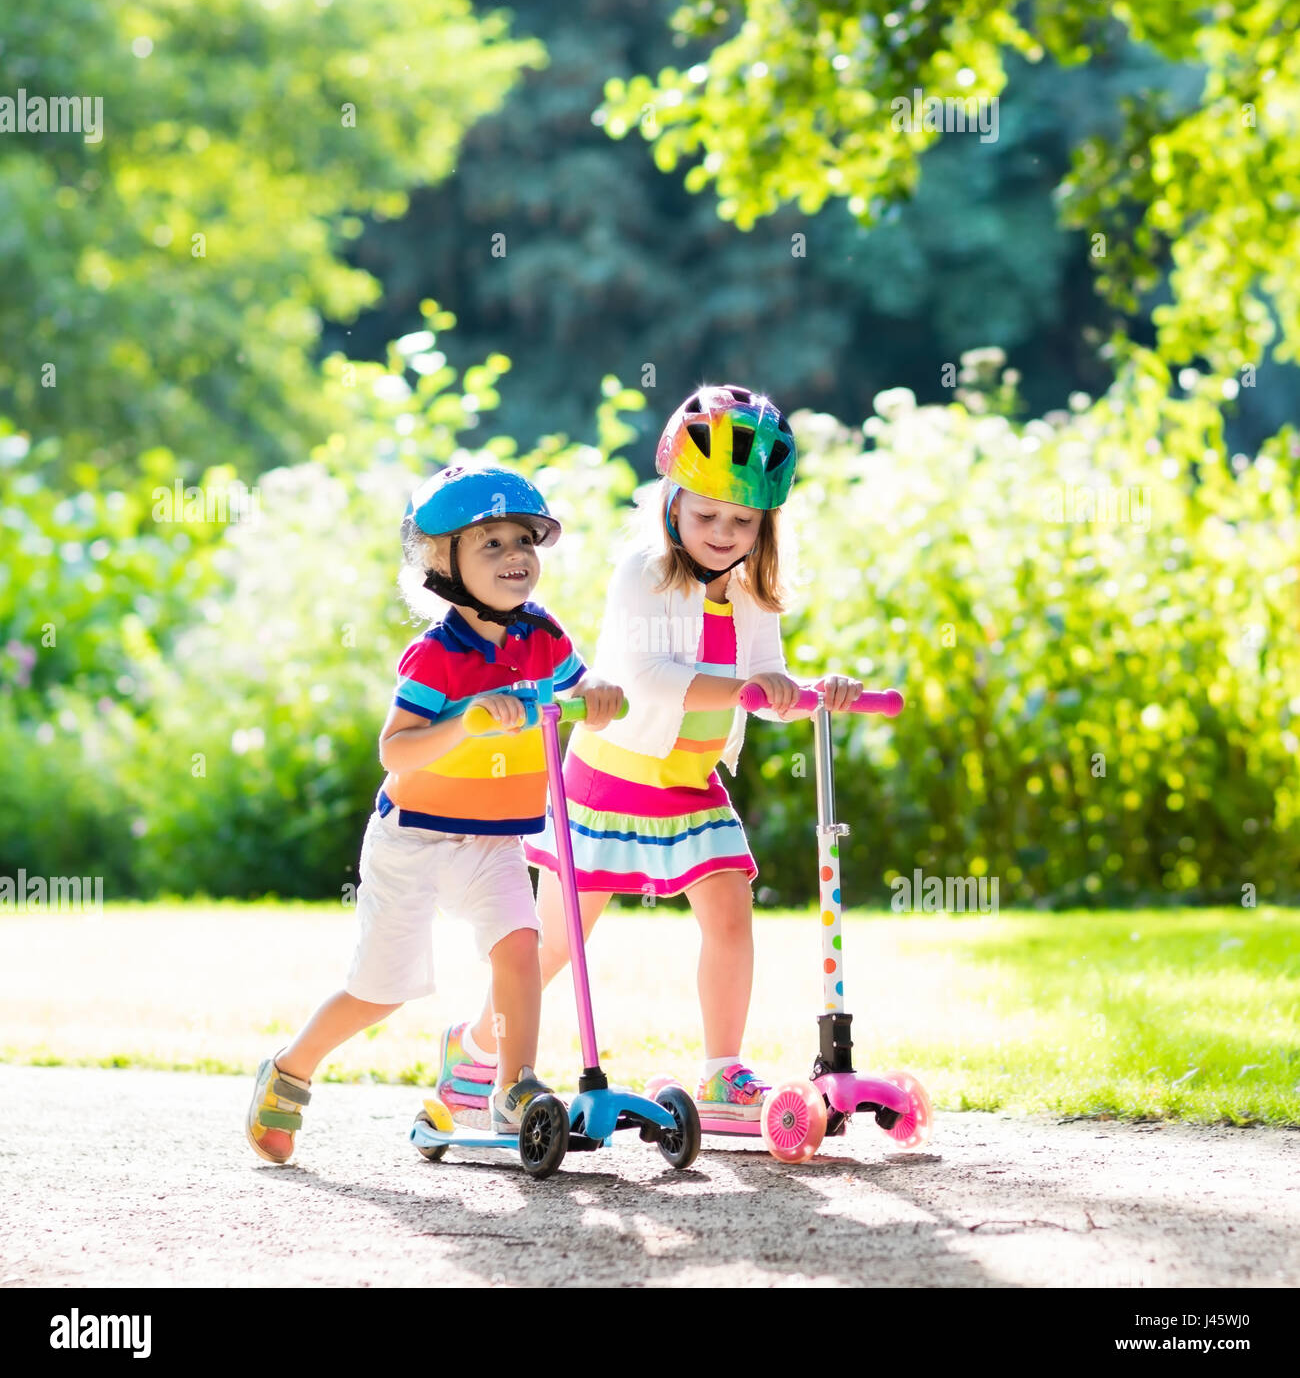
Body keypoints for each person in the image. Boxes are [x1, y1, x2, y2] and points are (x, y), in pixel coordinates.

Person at [435, 386, 864, 1126]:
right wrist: (748, 689)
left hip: (690, 780)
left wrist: (811, 690)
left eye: (744, 520)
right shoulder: (643, 571)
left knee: (731, 911)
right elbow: (647, 681)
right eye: (707, 515)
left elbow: (766, 676)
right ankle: (474, 1051)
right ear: (672, 498)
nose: (725, 533)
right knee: (557, 942)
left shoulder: (755, 588)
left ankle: (723, 1075)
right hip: (610, 779)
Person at [245, 465, 623, 1160]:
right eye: (491, 544)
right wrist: (467, 724)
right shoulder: (437, 656)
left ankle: (514, 1086)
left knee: (520, 950)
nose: (516, 555)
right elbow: (397, 751)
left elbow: (580, 679)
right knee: (382, 992)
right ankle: (290, 1069)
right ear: (441, 566)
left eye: (524, 540)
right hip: (413, 839)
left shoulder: (542, 635)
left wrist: (599, 690)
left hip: (494, 843)